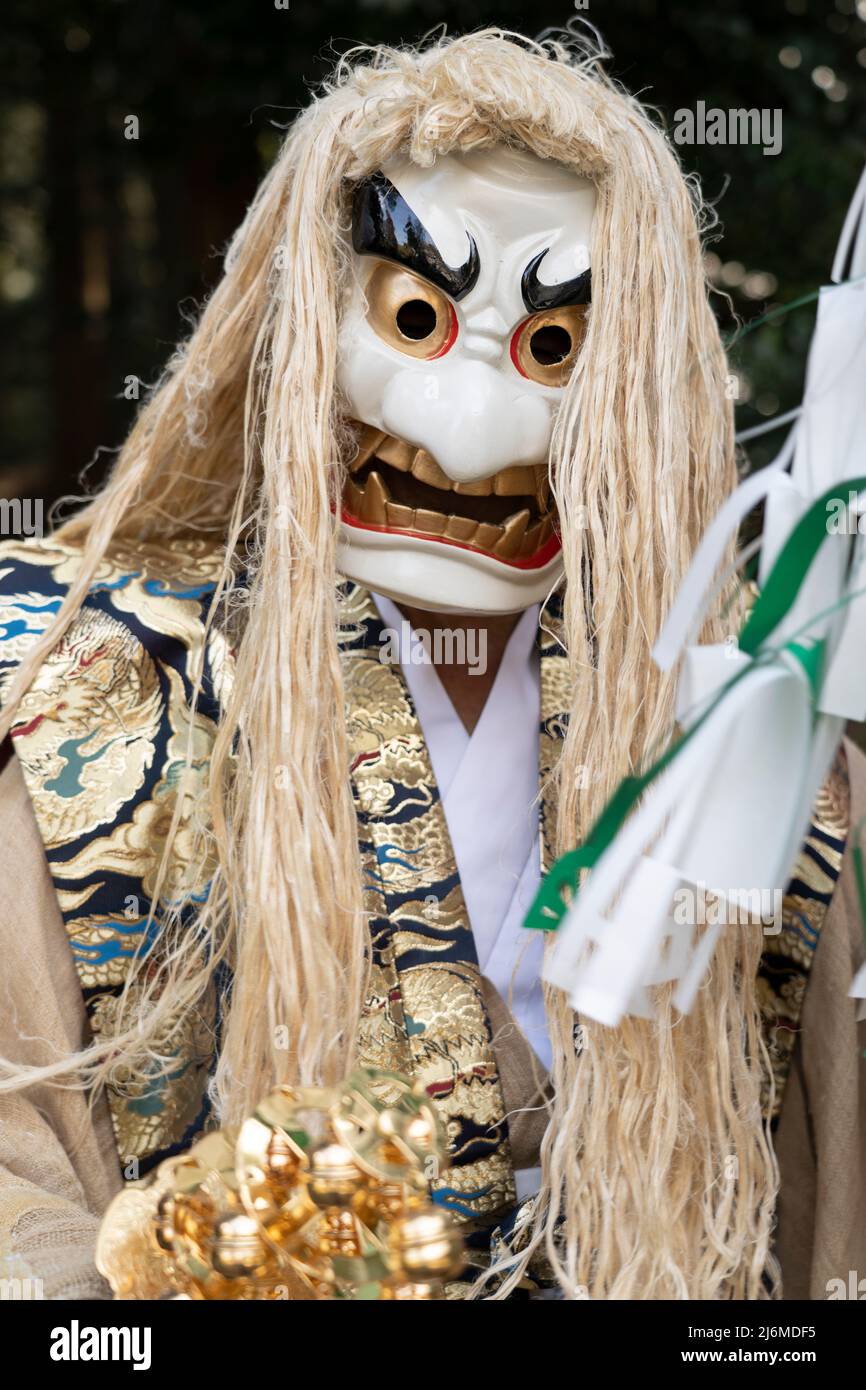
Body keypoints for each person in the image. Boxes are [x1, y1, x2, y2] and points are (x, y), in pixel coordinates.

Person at [0, 29, 863, 1301]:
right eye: (415, 317)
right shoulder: (97, 691)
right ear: (299, 322)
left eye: (555, 346)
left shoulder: (751, 726)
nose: (468, 438)